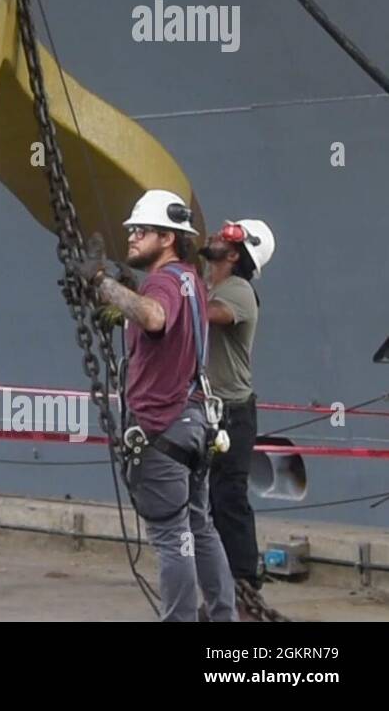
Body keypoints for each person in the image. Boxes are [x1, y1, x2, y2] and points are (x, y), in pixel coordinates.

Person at [72, 189, 236, 622]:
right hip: (196, 423)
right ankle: (224, 616)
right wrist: (122, 301)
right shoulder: (191, 281)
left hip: (163, 429)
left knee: (171, 537)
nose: (131, 237)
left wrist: (100, 283)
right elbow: (158, 323)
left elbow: (155, 317)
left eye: (141, 231)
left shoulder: (162, 282)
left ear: (168, 238)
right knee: (200, 528)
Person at [201, 218, 275, 593]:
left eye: (223, 237)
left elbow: (205, 315)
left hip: (232, 413)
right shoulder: (209, 284)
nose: (212, 236)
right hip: (207, 411)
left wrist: (164, 291)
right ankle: (221, 593)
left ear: (234, 253)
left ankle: (246, 586)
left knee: (229, 499)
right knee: (207, 502)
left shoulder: (238, 291)